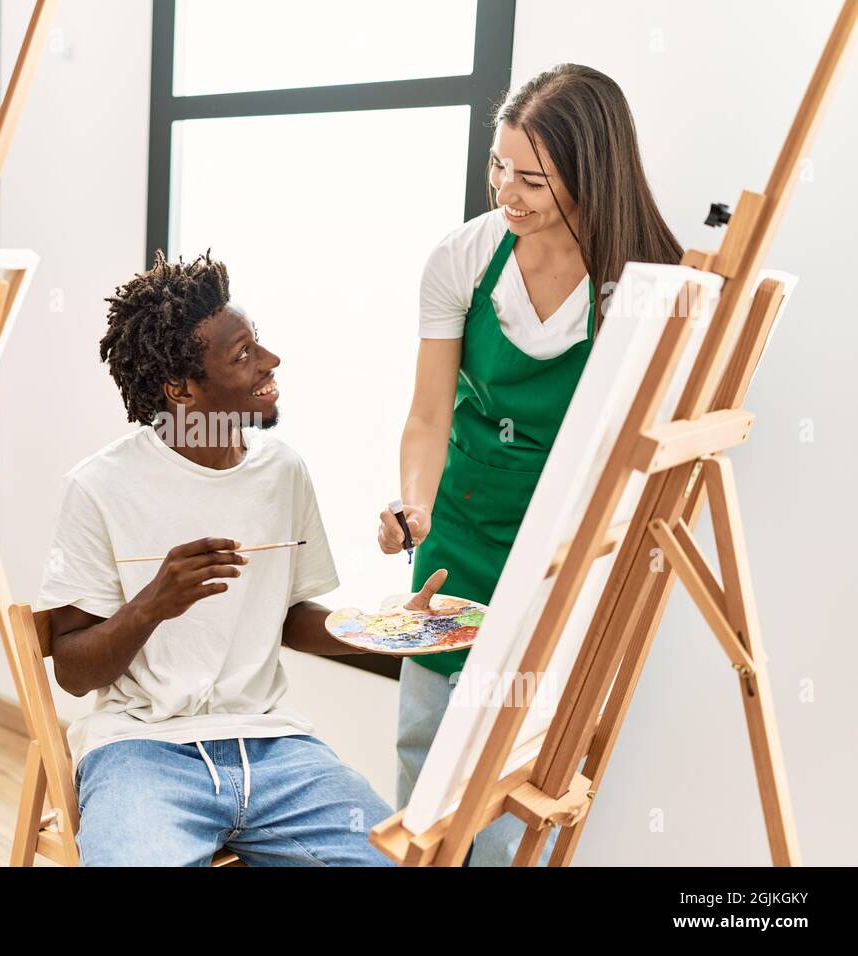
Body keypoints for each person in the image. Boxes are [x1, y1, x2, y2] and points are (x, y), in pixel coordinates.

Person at [379, 64, 684, 865]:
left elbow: (634, 452)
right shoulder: (463, 260)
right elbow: (428, 416)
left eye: (533, 179)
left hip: (559, 563)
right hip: (456, 543)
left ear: (591, 174)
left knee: (510, 787)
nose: (506, 192)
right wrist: (414, 508)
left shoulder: (643, 285)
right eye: (498, 167)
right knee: (424, 762)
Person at [38, 251, 431, 866]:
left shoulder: (283, 471)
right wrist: (151, 605)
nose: (270, 363)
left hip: (274, 748)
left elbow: (290, 616)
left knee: (402, 859)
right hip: (143, 753)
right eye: (243, 355)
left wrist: (379, 631)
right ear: (181, 389)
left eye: (260, 346)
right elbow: (72, 670)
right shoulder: (99, 487)